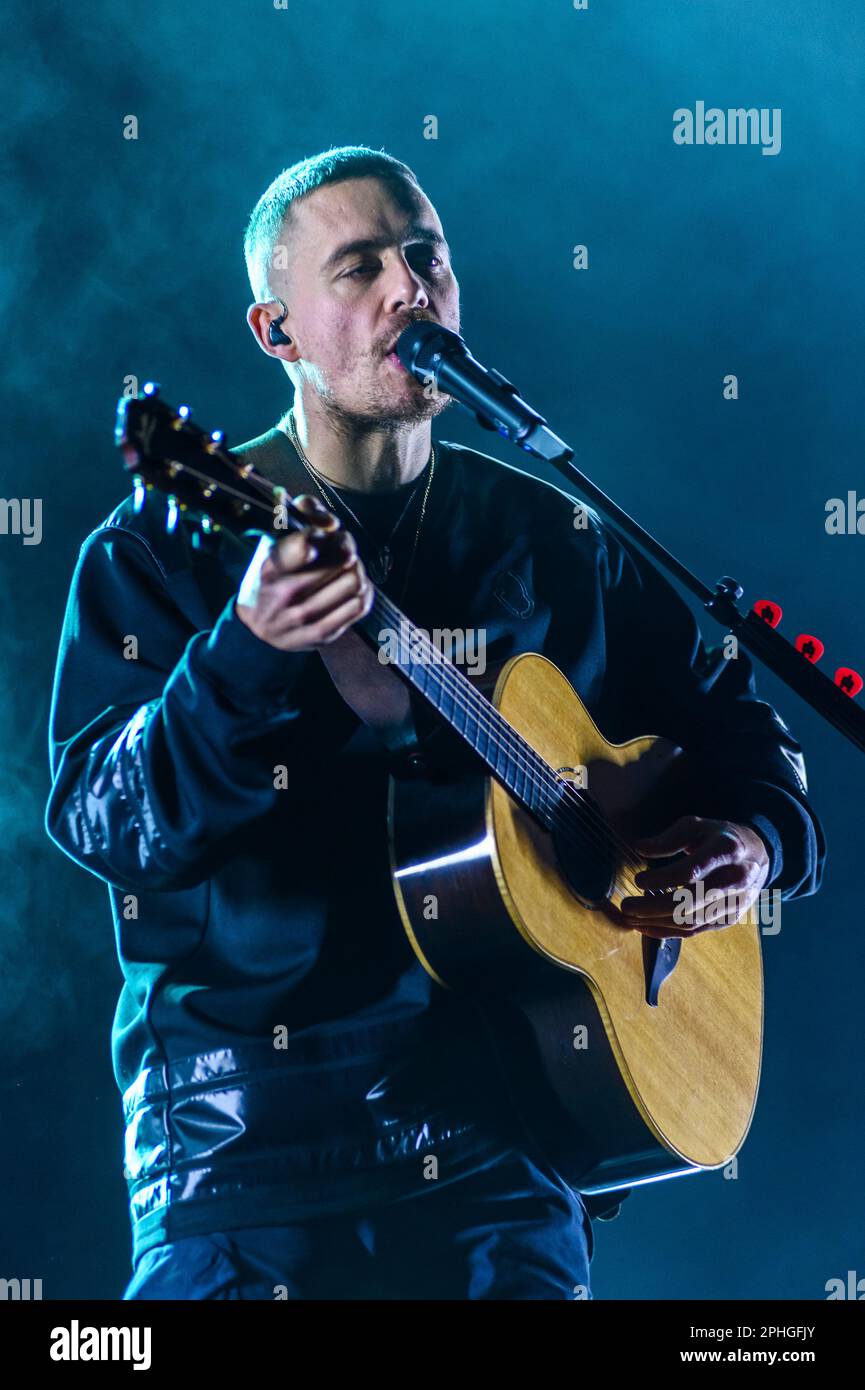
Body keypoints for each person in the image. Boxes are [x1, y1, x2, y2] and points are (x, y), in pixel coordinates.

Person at [45, 145, 826, 1300]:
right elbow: (105, 820)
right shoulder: (166, 541)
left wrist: (755, 844)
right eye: (359, 267)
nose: (408, 287)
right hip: (246, 1159)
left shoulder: (553, 534)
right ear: (278, 331)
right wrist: (244, 652)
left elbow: (731, 721)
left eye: (427, 258)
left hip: (507, 1138)